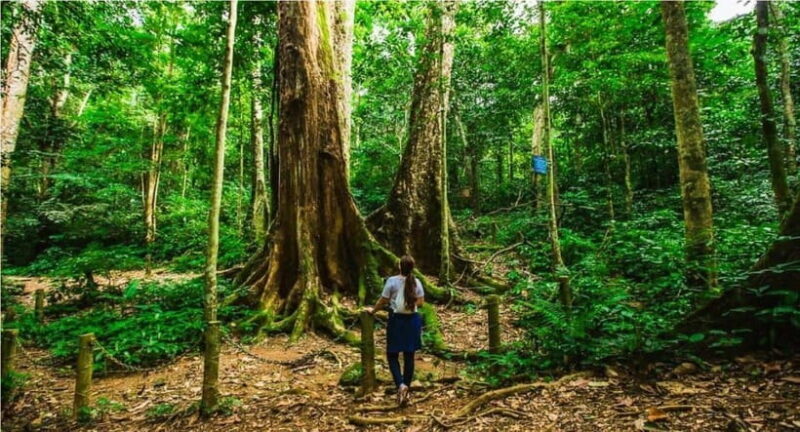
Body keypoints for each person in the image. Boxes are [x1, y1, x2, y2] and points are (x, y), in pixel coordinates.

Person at [365, 255, 424, 406]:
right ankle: (406, 388)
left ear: (400, 266)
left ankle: (400, 385)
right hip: (413, 320)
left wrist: (374, 310)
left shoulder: (391, 281)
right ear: (412, 267)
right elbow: (421, 302)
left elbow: (383, 300)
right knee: (409, 355)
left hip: (396, 320)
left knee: (392, 354)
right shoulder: (417, 282)